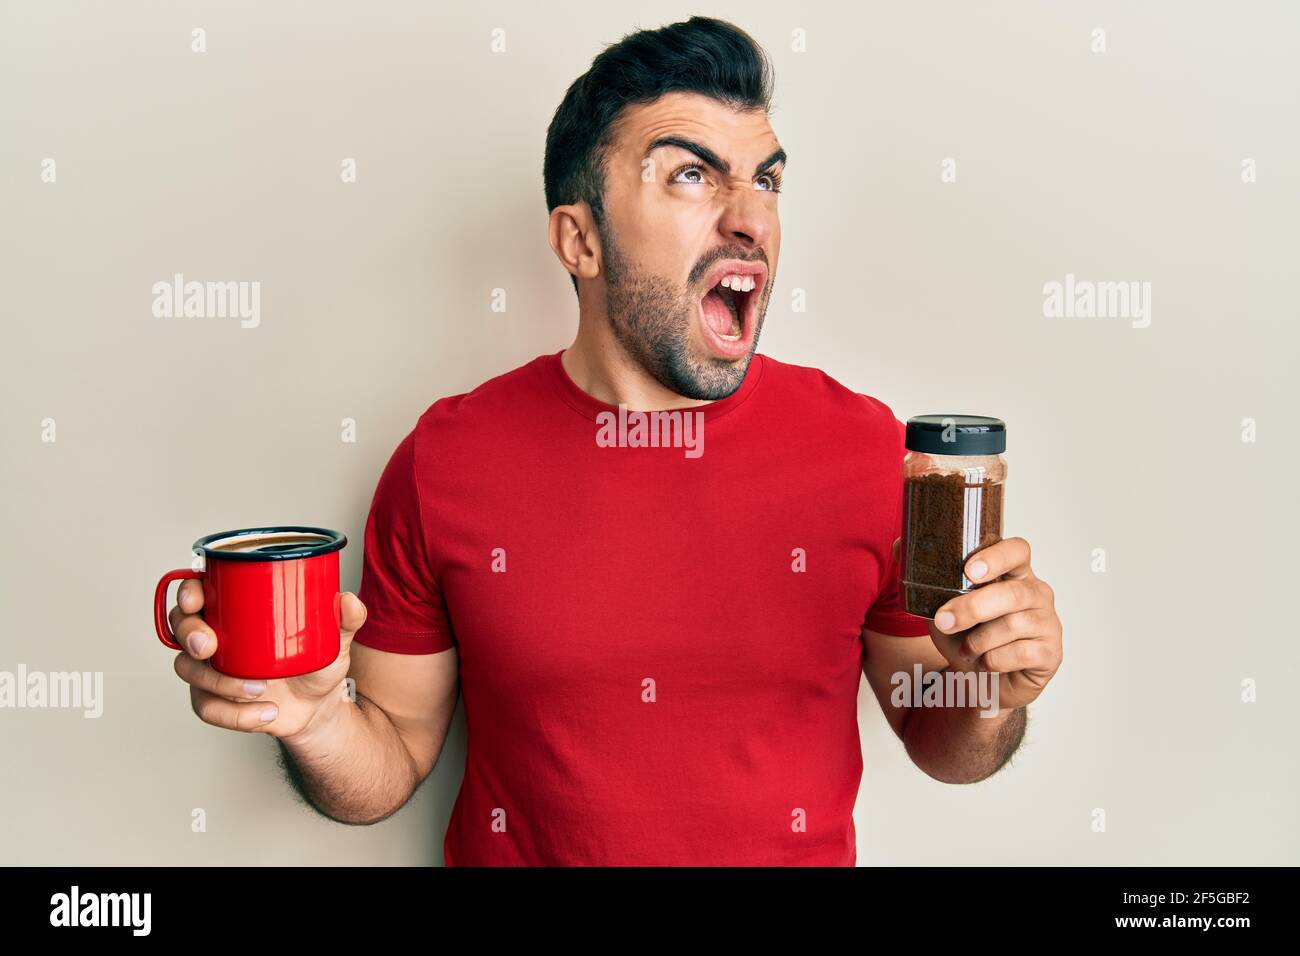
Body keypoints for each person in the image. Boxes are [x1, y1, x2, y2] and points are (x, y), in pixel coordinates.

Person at [167, 16, 1063, 866]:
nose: (750, 216)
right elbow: (391, 759)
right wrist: (315, 721)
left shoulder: (869, 451)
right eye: (690, 175)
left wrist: (991, 693)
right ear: (580, 239)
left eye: (767, 179)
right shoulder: (444, 463)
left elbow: (939, 738)